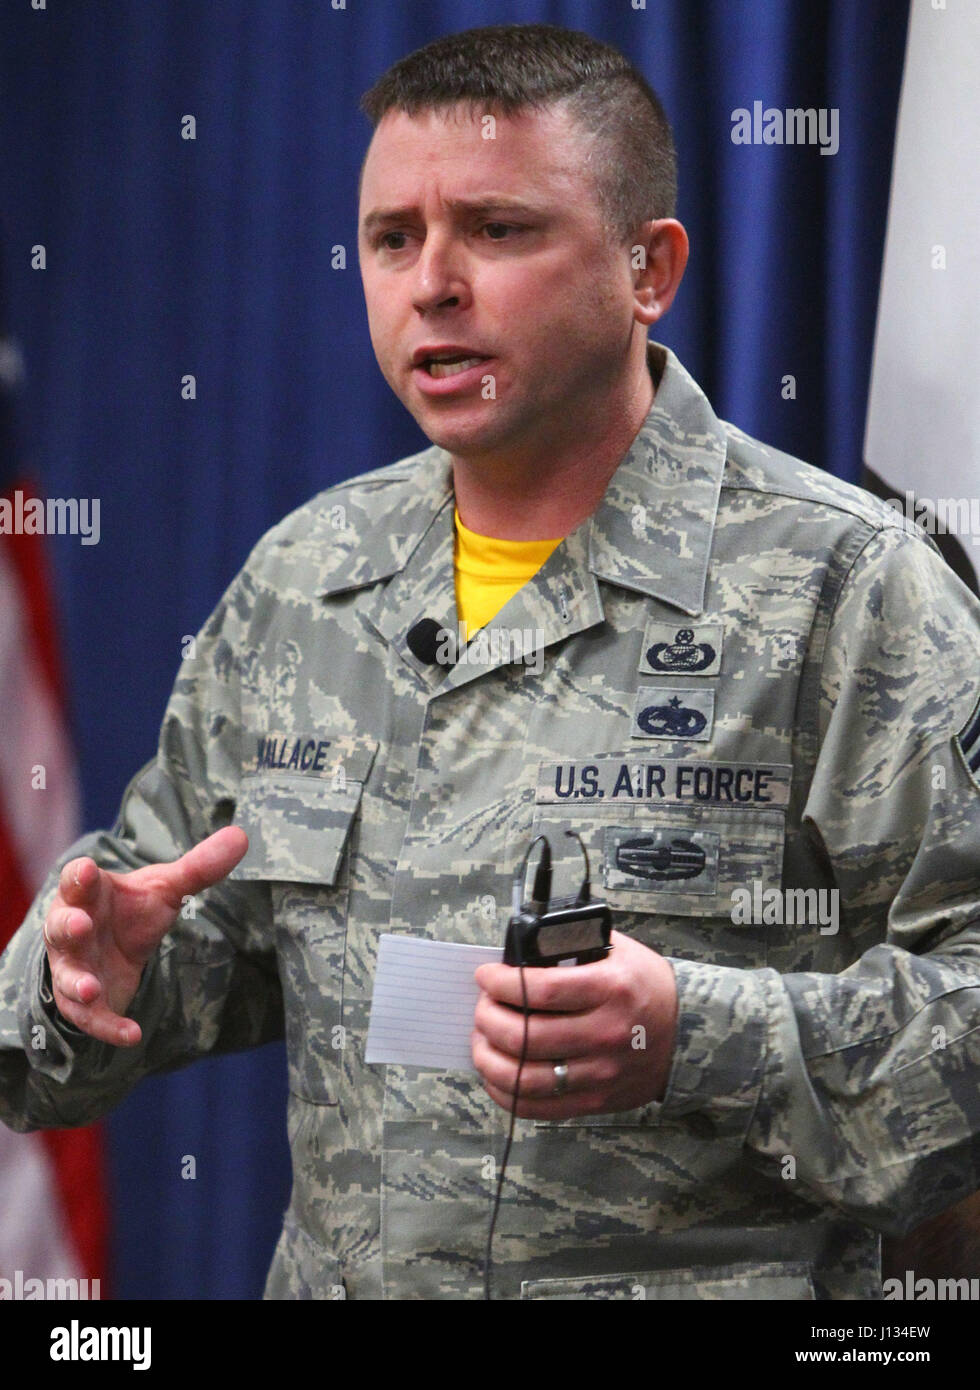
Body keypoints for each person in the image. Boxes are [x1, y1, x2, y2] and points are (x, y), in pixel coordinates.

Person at [2, 22, 980, 1301]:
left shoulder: (846, 587)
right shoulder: (310, 578)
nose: (432, 284)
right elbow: (162, 954)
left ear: (649, 268)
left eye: (498, 229)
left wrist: (698, 1035)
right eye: (392, 239)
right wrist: (89, 974)